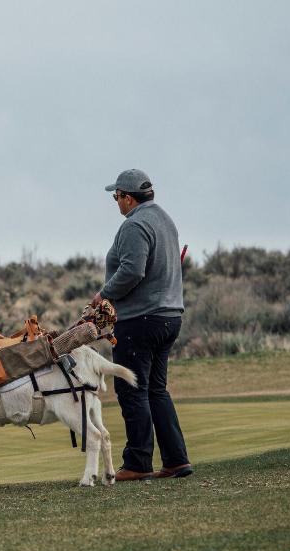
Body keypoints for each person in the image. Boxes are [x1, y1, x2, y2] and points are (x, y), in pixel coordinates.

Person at [92, 169, 193, 482]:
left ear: (127, 196)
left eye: (116, 196)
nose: (116, 202)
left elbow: (132, 271)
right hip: (170, 316)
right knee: (156, 390)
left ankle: (137, 463)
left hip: (140, 320)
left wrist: (103, 295)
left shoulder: (134, 224)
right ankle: (176, 460)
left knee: (132, 389)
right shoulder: (165, 220)